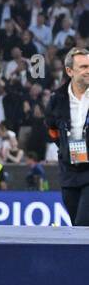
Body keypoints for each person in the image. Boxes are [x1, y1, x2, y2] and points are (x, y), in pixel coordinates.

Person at [45, 47, 89, 224]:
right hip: (69, 171)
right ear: (70, 71)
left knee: (83, 225)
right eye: (84, 67)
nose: (88, 70)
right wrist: (64, 149)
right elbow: (52, 129)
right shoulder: (57, 99)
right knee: (76, 227)